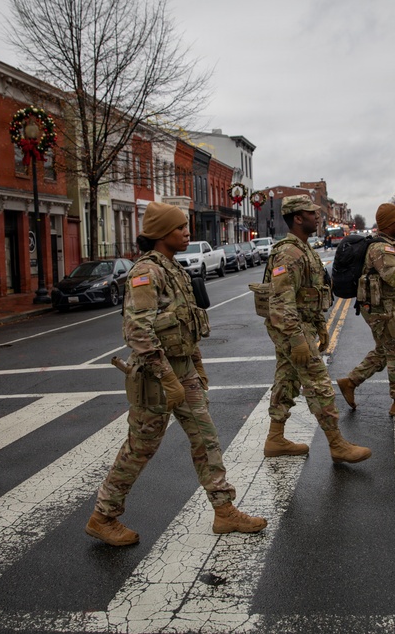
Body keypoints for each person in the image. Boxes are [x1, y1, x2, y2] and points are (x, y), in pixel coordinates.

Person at [86, 203, 267, 546]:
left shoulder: (175, 269)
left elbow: (186, 326)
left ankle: (224, 509)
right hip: (155, 378)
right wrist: (167, 378)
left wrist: (195, 369)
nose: (187, 232)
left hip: (183, 372)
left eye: (186, 227)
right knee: (141, 447)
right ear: (160, 233)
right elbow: (138, 330)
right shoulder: (147, 273)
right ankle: (103, 515)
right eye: (180, 228)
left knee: (206, 437)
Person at [260, 195, 371, 463]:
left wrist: (320, 325)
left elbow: (311, 293)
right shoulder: (288, 252)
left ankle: (275, 438)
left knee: (287, 379)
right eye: (312, 212)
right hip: (291, 328)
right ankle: (337, 444)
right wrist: (297, 339)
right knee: (319, 383)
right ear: (298, 218)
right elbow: (280, 301)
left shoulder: (304, 248)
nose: (317, 216)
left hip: (302, 324)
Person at [337, 203, 395, 418]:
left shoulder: (390, 244)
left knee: (385, 352)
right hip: (384, 309)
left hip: (381, 308)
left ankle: (350, 381)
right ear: (388, 223)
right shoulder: (381, 248)